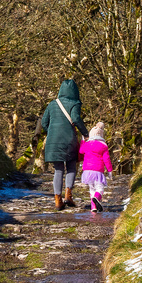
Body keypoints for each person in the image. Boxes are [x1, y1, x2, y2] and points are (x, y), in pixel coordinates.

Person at [34, 78, 88, 210]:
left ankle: (58, 200)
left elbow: (44, 122)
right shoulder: (75, 103)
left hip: (53, 141)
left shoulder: (52, 104)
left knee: (58, 170)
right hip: (69, 140)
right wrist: (85, 133)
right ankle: (68, 196)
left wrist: (51, 132)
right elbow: (75, 118)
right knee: (71, 167)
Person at [78, 121, 113, 213]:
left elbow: (81, 151)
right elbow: (107, 159)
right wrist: (109, 171)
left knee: (92, 188)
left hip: (87, 171)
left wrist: (82, 141)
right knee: (99, 188)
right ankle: (96, 199)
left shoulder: (87, 144)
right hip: (98, 171)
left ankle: (93, 207)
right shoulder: (104, 146)